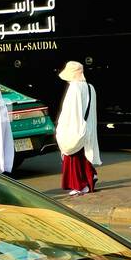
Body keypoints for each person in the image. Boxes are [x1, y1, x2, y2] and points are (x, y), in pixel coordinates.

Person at [55, 61, 101, 195]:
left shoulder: (74, 88)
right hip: (88, 127)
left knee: (73, 156)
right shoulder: (90, 87)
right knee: (83, 155)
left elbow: (71, 111)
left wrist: (65, 129)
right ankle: (90, 175)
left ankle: (79, 185)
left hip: (75, 127)